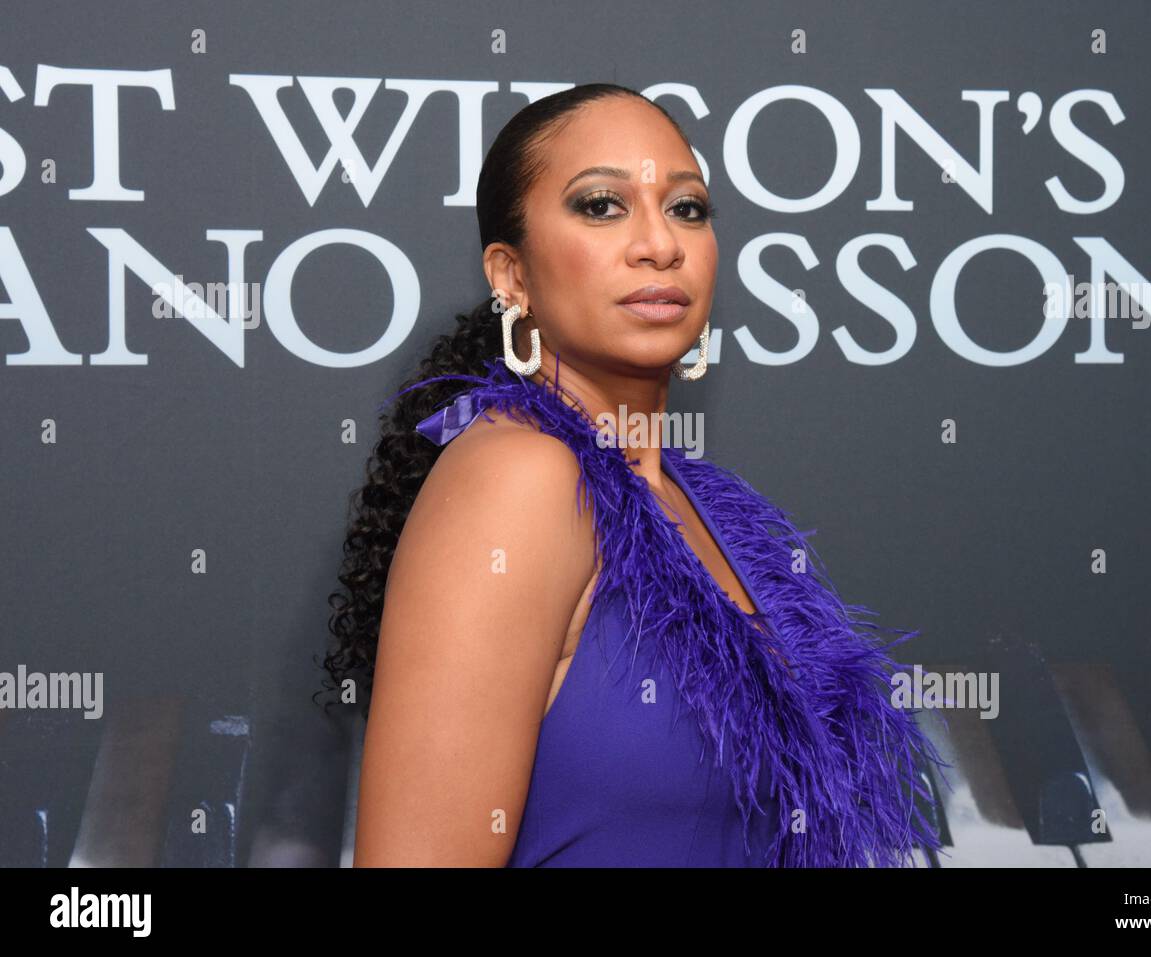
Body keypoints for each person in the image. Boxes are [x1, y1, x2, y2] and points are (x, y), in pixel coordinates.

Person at [322, 83, 944, 867]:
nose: (660, 243)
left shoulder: (702, 502)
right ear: (509, 274)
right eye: (601, 206)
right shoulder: (520, 478)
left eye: (686, 208)